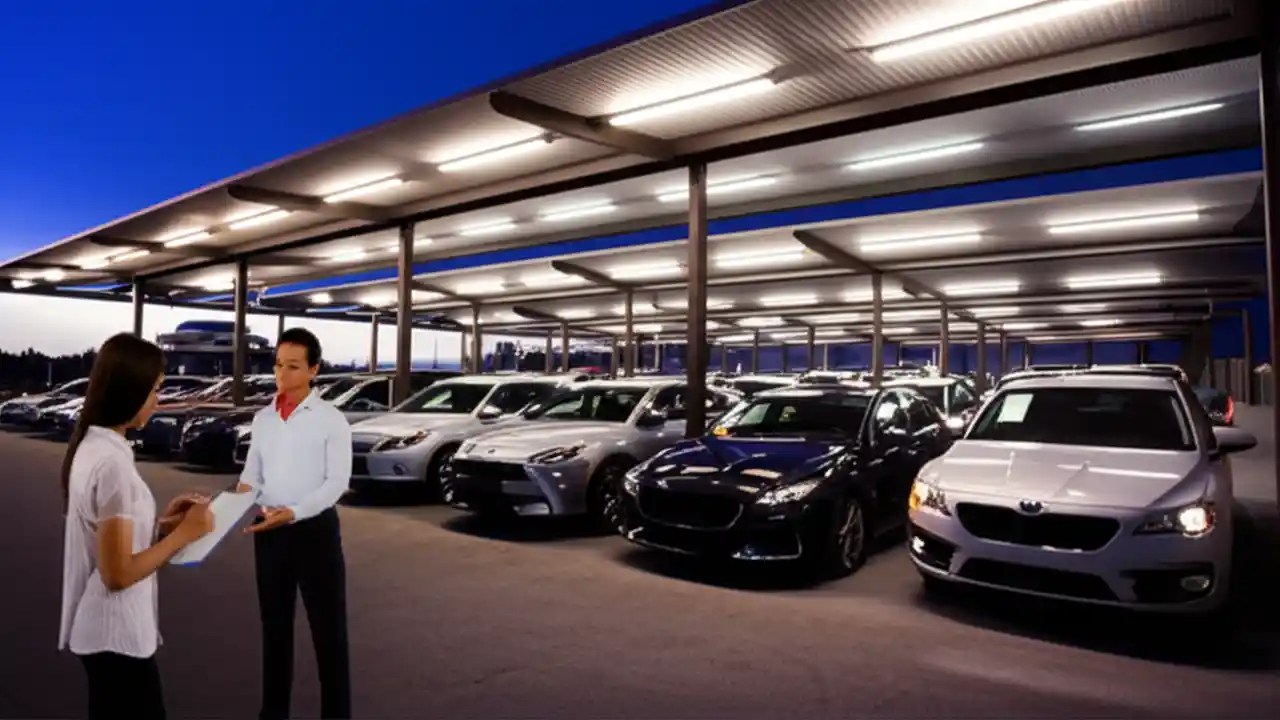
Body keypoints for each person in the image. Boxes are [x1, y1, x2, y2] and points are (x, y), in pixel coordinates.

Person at [58, 332, 215, 720]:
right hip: (116, 639)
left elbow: (106, 536)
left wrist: (160, 526)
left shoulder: (93, 447)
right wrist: (184, 534)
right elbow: (118, 573)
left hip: (105, 639)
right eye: (155, 389)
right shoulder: (112, 464)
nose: (158, 400)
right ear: (131, 392)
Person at [237, 328, 353, 720]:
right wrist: (221, 507)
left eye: (293, 366)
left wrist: (296, 511)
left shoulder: (330, 420)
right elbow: (251, 477)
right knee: (275, 630)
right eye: (277, 365)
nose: (281, 375)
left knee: (329, 634)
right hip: (270, 532)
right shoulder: (263, 419)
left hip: (314, 531)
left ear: (313, 370)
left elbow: (336, 483)